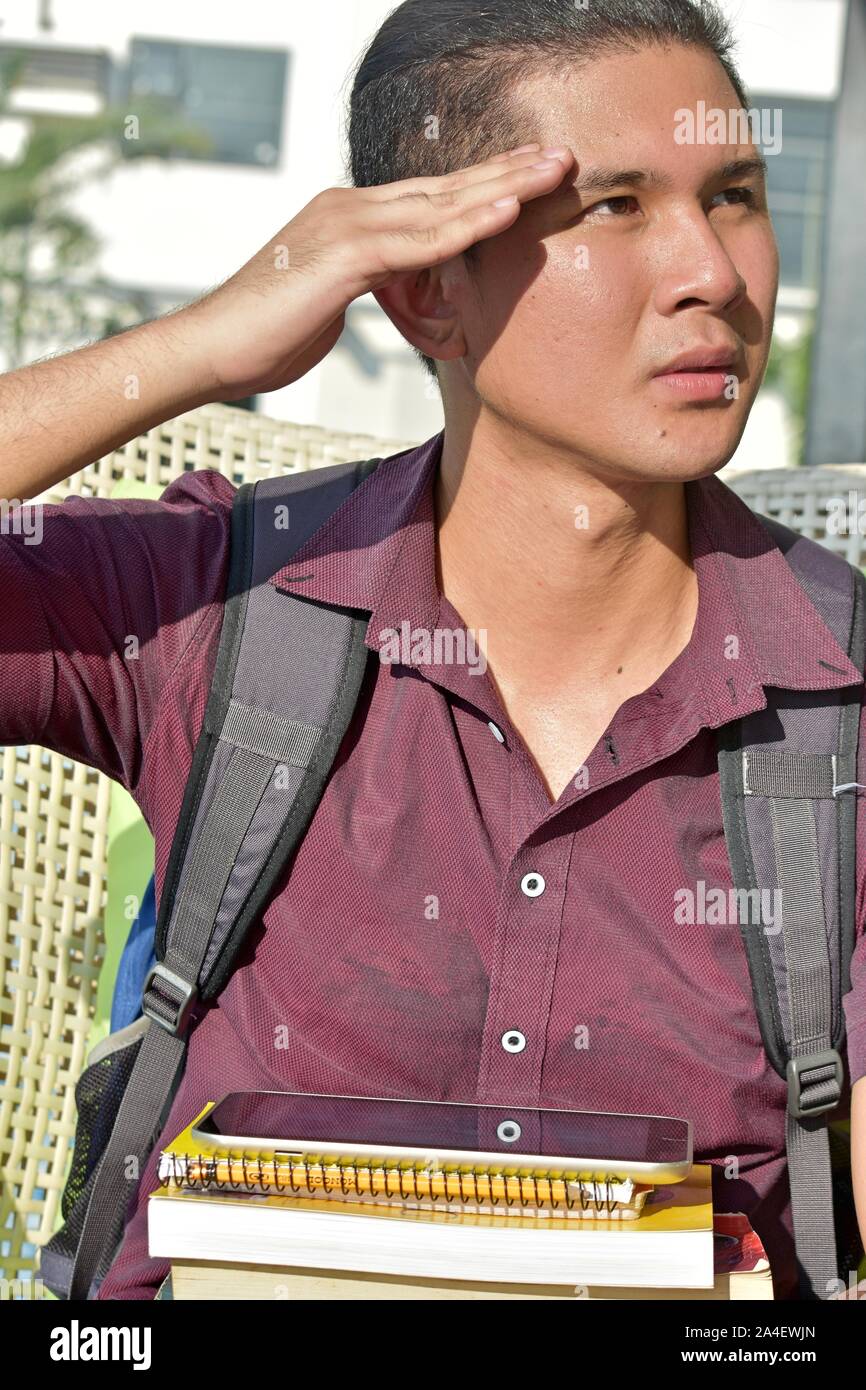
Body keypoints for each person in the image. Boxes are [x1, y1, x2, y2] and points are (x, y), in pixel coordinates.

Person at [0, 0, 864, 1300]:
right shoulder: (223, 602)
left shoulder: (836, 691)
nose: (714, 272)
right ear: (424, 294)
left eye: (732, 193)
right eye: (613, 208)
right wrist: (198, 349)